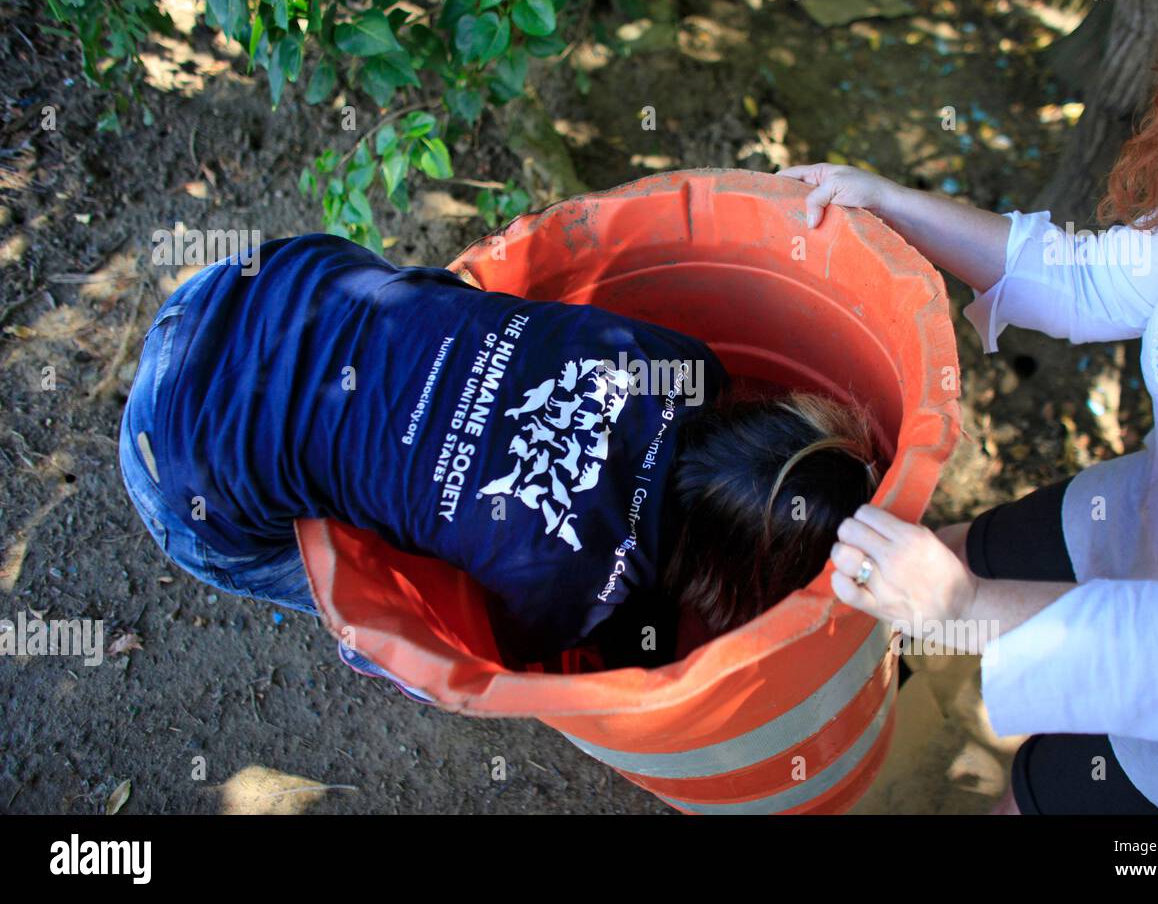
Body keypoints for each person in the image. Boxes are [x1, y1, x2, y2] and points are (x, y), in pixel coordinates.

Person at [782, 0, 1158, 814]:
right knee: (920, 573)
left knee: (1030, 801)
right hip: (1123, 525)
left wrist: (971, 608)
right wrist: (887, 200)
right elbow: (1097, 280)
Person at [118, 233, 888, 698]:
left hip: (264, 281)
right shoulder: (573, 590)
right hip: (182, 469)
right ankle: (369, 654)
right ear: (741, 583)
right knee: (384, 603)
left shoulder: (684, 364)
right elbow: (491, 649)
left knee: (407, 385)